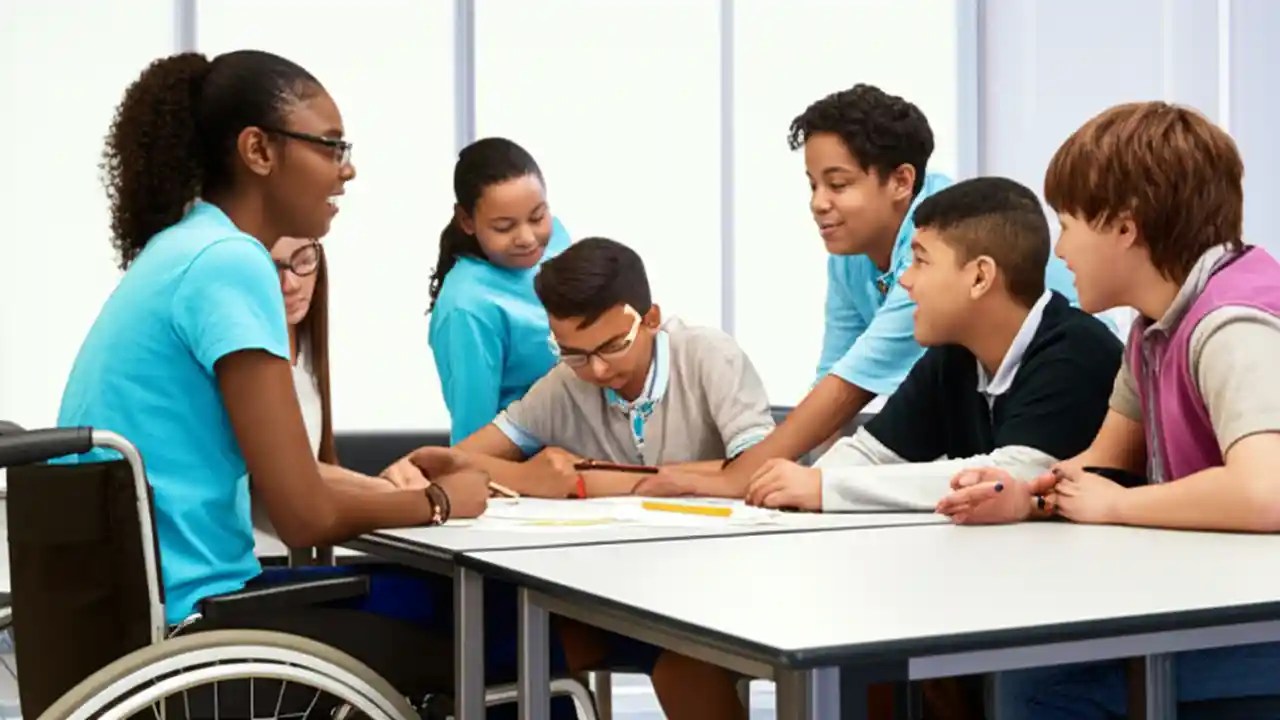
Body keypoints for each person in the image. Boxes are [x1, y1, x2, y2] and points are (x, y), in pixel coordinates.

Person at [55, 49, 487, 707]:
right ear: (258, 149)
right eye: (331, 145)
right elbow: (302, 514)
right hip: (202, 634)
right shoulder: (229, 260)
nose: (348, 169)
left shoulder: (179, 249)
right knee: (507, 629)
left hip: (135, 629)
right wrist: (441, 502)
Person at [937, 102, 1280, 717]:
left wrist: (1118, 505)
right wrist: (1026, 496)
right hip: (1223, 599)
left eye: (1067, 224)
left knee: (1040, 690)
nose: (1060, 249)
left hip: (1262, 622)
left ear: (1126, 228)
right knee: (1016, 668)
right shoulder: (1153, 326)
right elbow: (1100, 465)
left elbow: (1266, 492)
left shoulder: (1233, 326)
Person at [386, 237, 773, 720]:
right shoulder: (567, 383)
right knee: (516, 644)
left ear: (650, 318)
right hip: (623, 588)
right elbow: (462, 461)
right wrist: (528, 476)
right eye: (573, 353)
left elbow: (762, 470)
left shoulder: (708, 356)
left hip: (719, 584)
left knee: (681, 662)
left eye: (612, 346)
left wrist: (585, 481)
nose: (597, 369)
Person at [663, 84, 1085, 497]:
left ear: (902, 181)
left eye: (838, 185)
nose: (818, 203)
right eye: (813, 185)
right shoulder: (857, 260)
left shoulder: (941, 240)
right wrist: (809, 488)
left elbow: (846, 393)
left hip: (1051, 405)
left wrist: (752, 479)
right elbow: (833, 386)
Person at [744, 177, 1120, 514]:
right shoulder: (954, 355)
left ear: (979, 277)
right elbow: (871, 454)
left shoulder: (1076, 351)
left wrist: (825, 488)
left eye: (920, 261)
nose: (905, 280)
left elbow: (1007, 478)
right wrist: (794, 490)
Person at [428, 137, 571, 445]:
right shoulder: (466, 308)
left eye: (537, 217)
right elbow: (473, 440)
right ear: (467, 221)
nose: (528, 238)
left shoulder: (557, 239)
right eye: (504, 227)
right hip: (535, 473)